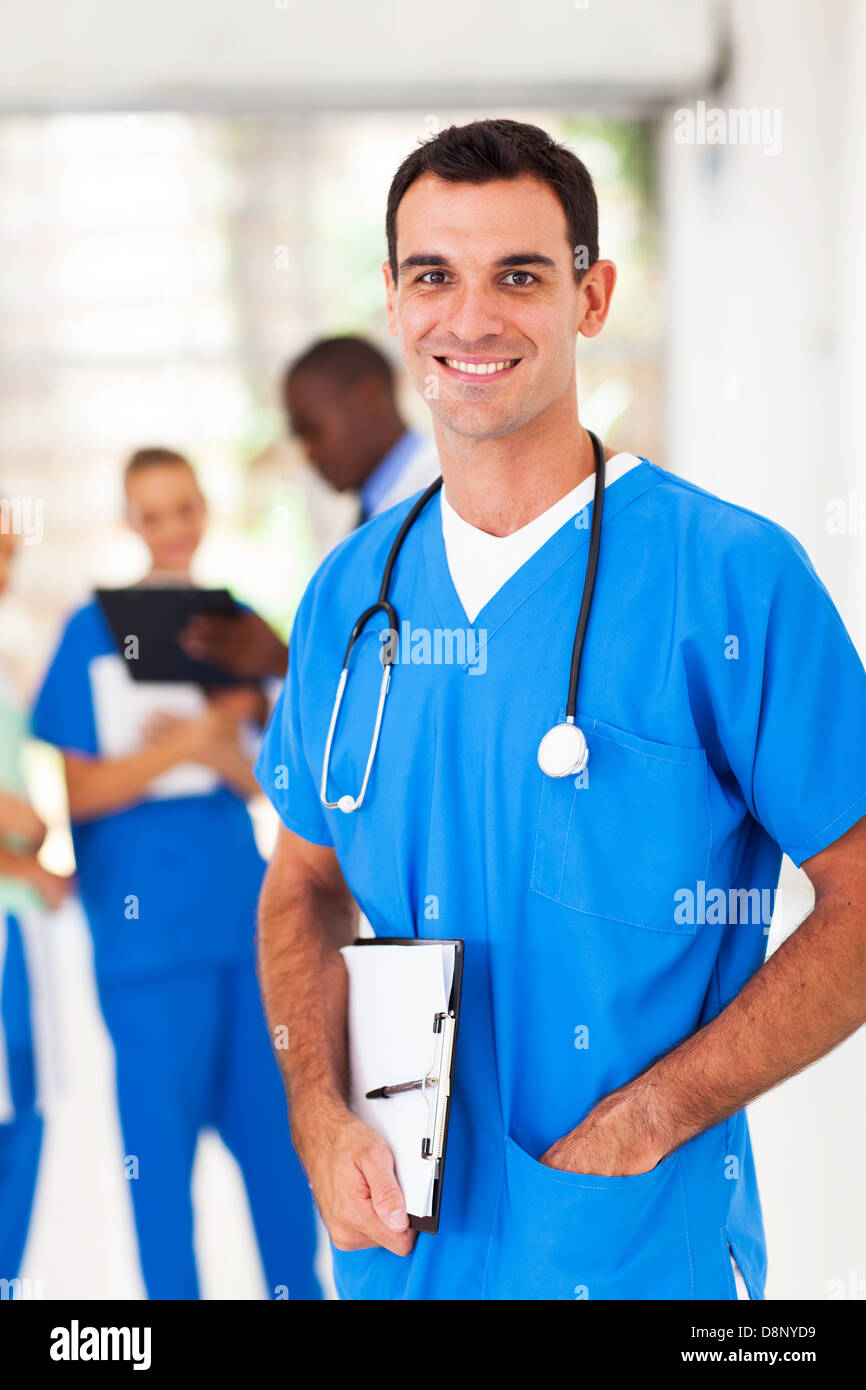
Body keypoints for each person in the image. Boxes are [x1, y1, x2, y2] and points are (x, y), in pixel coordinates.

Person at [252, 119, 866, 1302]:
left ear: (591, 296)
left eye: (519, 277)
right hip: (401, 1256)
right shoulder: (348, 597)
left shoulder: (726, 578)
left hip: (626, 1251)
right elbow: (303, 884)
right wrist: (317, 1112)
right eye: (433, 276)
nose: (470, 318)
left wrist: (656, 1112)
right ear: (393, 301)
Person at [31, 448, 322, 1300]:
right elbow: (81, 794)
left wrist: (208, 748)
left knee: (278, 1160)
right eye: (151, 514)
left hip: (245, 929)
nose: (171, 529)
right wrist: (198, 739)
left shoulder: (237, 626)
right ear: (129, 522)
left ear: (205, 509)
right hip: (147, 946)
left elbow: (273, 781)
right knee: (158, 1175)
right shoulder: (88, 632)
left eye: (184, 508)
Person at [181, 336, 438, 680]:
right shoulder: (348, 523)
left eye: (312, 431)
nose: (308, 454)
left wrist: (281, 660)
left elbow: (425, 661)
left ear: (371, 397)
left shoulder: (449, 497)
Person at [0, 526, 70, 1290]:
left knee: (28, 1110)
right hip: (8, 918)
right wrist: (23, 851)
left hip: (18, 923)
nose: (4, 571)